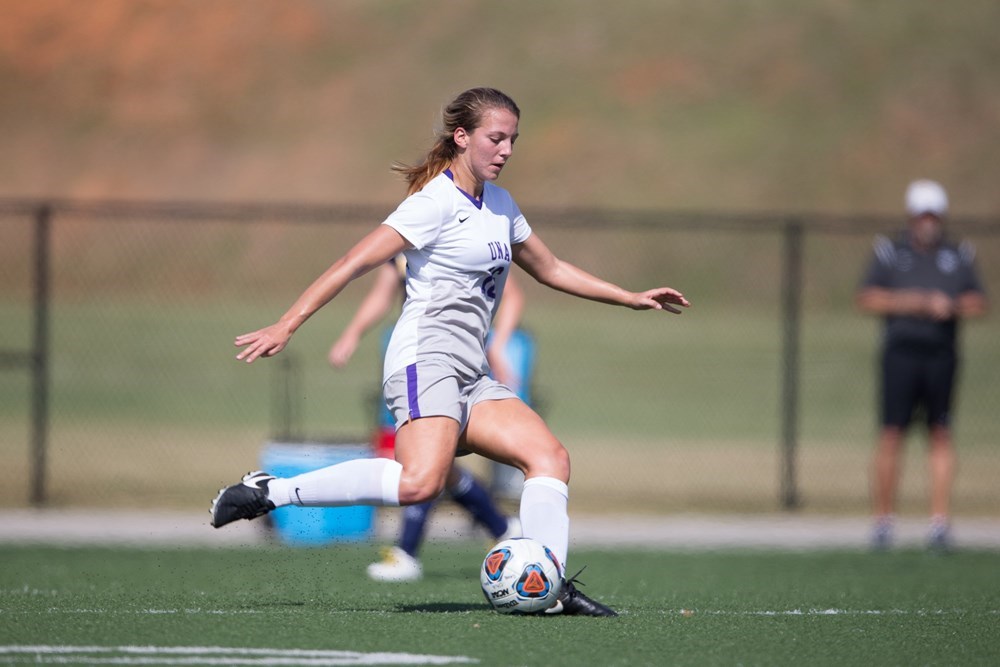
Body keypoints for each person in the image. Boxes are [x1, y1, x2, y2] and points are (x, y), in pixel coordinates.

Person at [211, 87, 690, 616]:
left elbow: (550, 268)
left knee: (549, 458)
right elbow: (353, 261)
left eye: (512, 140)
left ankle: (549, 586)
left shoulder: (502, 206)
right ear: (462, 137)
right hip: (424, 360)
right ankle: (270, 492)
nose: (506, 150)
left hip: (471, 371)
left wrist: (630, 297)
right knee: (420, 484)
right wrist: (288, 322)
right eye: (495, 138)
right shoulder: (433, 203)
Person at [328, 258, 526, 582]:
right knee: (433, 462)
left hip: (458, 361)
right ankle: (503, 527)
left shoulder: (464, 235)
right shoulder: (405, 241)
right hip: (418, 360)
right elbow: (382, 294)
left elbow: (513, 295)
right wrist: (352, 334)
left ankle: (407, 553)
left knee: (426, 460)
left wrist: (499, 344)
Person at [856, 179, 987, 552]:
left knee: (940, 433)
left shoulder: (957, 255)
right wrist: (912, 301)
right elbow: (866, 298)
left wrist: (953, 307)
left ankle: (939, 524)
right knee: (891, 433)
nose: (927, 222)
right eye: (922, 215)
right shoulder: (889, 253)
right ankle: (883, 522)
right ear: (911, 217)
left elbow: (978, 301)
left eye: (934, 215)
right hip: (900, 355)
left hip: (941, 356)